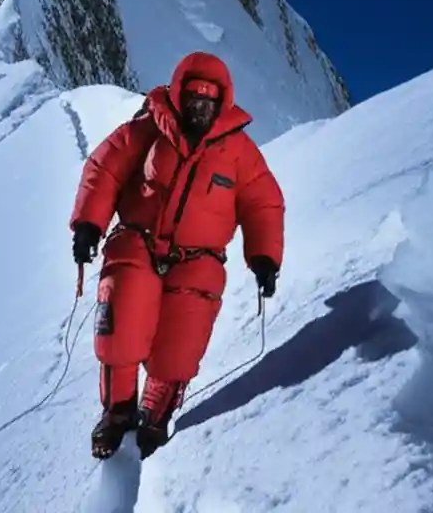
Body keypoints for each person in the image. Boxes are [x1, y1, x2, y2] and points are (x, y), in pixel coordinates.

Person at [70, 51, 284, 460]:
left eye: (208, 101)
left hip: (200, 259)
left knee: (180, 347)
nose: (199, 107)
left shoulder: (239, 152)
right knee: (122, 325)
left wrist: (264, 258)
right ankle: (117, 413)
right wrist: (88, 224)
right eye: (193, 98)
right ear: (180, 95)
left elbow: (264, 203)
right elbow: (104, 168)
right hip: (139, 241)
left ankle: (155, 416)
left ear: (221, 103)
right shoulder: (148, 127)